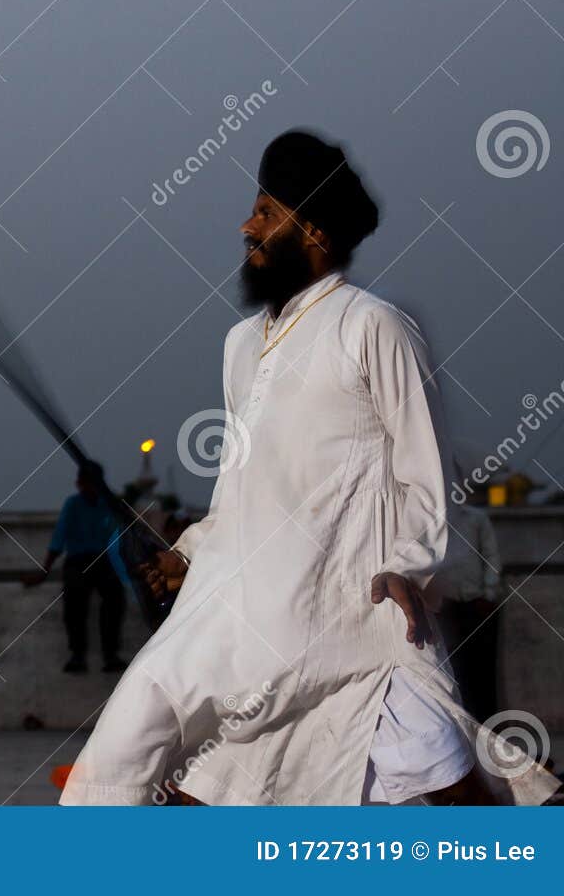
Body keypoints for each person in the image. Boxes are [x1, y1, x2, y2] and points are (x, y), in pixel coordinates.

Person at [60, 130, 558, 806]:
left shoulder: (373, 326)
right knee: (119, 762)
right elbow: (238, 487)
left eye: (266, 212)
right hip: (237, 615)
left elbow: (423, 472)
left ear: (315, 231)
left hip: (348, 617)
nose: (247, 225)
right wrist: (189, 550)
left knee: (449, 791)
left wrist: (407, 565)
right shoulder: (240, 347)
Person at [33, 461, 128, 673]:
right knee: (74, 599)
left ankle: (110, 654)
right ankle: (77, 654)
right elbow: (58, 539)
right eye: (87, 483)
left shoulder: (110, 505)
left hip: (104, 561)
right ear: (79, 484)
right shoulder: (73, 505)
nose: (91, 488)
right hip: (78, 561)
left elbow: (121, 536)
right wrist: (45, 569)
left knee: (115, 597)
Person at [432, 501, 503, 722]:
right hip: (443, 609)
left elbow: (492, 557)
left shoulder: (476, 517)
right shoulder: (430, 519)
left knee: (482, 673)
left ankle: (487, 729)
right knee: (450, 672)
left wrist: (488, 594)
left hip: (477, 606)